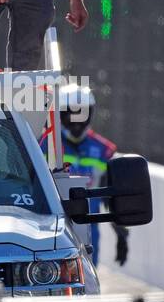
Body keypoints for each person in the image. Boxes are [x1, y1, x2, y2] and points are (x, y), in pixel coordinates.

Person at [41, 83, 128, 266]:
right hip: (49, 229)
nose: (77, 122)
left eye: (83, 113)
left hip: (89, 232)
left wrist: (122, 233)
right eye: (71, 114)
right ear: (60, 114)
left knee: (88, 288)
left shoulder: (104, 150)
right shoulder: (43, 145)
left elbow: (112, 198)